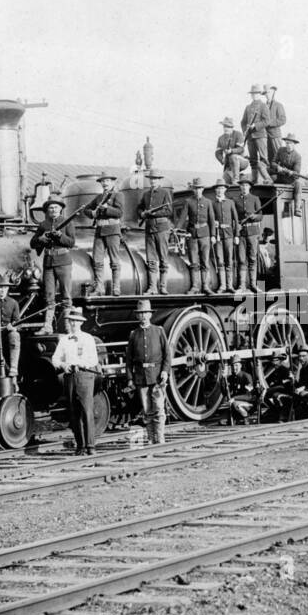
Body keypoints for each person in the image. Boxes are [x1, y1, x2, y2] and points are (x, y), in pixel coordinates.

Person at [52, 306, 101, 454]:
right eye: (71, 321)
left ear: (81, 323)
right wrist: (63, 365)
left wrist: (81, 364)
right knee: (73, 412)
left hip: (85, 375)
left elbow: (94, 359)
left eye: (76, 321)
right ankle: (80, 445)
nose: (73, 324)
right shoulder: (64, 340)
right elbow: (55, 358)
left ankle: (90, 446)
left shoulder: (88, 338)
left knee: (86, 410)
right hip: (69, 377)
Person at [126, 299, 170, 443]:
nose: (143, 316)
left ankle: (160, 439)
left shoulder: (159, 331)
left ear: (150, 315)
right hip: (141, 378)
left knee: (159, 409)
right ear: (137, 316)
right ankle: (151, 439)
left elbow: (167, 355)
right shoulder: (134, 334)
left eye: (145, 313)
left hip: (157, 377)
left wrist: (165, 371)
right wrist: (130, 378)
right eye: (141, 313)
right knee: (147, 411)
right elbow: (129, 360)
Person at [30, 198, 76, 333]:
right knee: (49, 296)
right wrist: (41, 238)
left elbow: (71, 242)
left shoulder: (68, 223)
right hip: (48, 263)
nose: (53, 210)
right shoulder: (43, 224)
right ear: (47, 211)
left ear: (60, 209)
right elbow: (33, 243)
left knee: (66, 296)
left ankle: (69, 327)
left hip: (63, 262)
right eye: (50, 208)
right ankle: (47, 326)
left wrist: (60, 236)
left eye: (56, 207)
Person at [85, 173, 124, 297]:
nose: (105, 183)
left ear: (112, 182)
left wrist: (106, 209)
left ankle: (116, 288)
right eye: (102, 181)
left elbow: (119, 213)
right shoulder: (98, 198)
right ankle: (100, 288)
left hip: (112, 230)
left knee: (114, 261)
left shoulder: (118, 195)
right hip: (99, 231)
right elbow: (85, 209)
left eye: (107, 180)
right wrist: (93, 213)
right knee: (97, 261)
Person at [177, 177, 218, 295]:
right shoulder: (188, 202)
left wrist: (213, 235)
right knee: (194, 262)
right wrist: (177, 228)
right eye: (195, 188)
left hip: (205, 235)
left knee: (205, 262)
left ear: (202, 189)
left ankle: (205, 286)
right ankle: (195, 286)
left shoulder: (208, 202)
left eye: (199, 188)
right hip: (193, 235)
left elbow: (211, 219)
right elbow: (183, 217)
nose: (198, 190)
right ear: (193, 190)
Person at [139, 170, 175, 296]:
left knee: (163, 259)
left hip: (162, 229)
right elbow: (139, 208)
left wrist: (154, 213)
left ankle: (163, 287)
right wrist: (142, 213)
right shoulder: (146, 195)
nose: (153, 181)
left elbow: (169, 211)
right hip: (149, 229)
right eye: (151, 179)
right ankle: (152, 287)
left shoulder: (165, 193)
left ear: (159, 180)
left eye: (155, 179)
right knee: (151, 260)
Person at [233, 180, 263, 292]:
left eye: (246, 185)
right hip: (241, 233)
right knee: (241, 259)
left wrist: (255, 216)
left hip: (253, 232)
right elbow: (234, 218)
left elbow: (261, 216)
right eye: (242, 185)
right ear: (240, 187)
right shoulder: (235, 200)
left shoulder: (255, 199)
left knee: (253, 258)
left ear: (249, 187)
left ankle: (253, 285)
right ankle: (242, 285)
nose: (244, 187)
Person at [240, 84, 273, 184]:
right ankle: (254, 180)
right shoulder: (248, 107)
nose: (254, 95)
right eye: (252, 94)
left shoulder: (263, 106)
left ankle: (267, 179)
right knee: (253, 160)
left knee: (264, 159)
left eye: (256, 94)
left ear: (260, 94)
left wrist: (256, 125)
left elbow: (267, 121)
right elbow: (243, 122)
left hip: (260, 136)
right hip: (250, 137)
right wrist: (245, 130)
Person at [270, 132, 304, 216]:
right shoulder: (280, 150)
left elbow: (296, 173)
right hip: (280, 177)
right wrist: (278, 167)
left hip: (290, 180)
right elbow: (273, 162)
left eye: (291, 143)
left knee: (298, 184)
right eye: (287, 143)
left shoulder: (297, 156)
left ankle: (297, 208)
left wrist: (290, 172)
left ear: (294, 144)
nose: (288, 145)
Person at [215, 116, 249, 185]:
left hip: (242, 161)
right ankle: (237, 177)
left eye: (228, 127)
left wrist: (231, 151)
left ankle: (236, 180)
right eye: (224, 126)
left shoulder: (238, 134)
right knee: (224, 182)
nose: (225, 128)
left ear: (232, 128)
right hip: (230, 164)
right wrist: (222, 159)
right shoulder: (221, 138)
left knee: (233, 157)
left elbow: (241, 149)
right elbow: (217, 152)